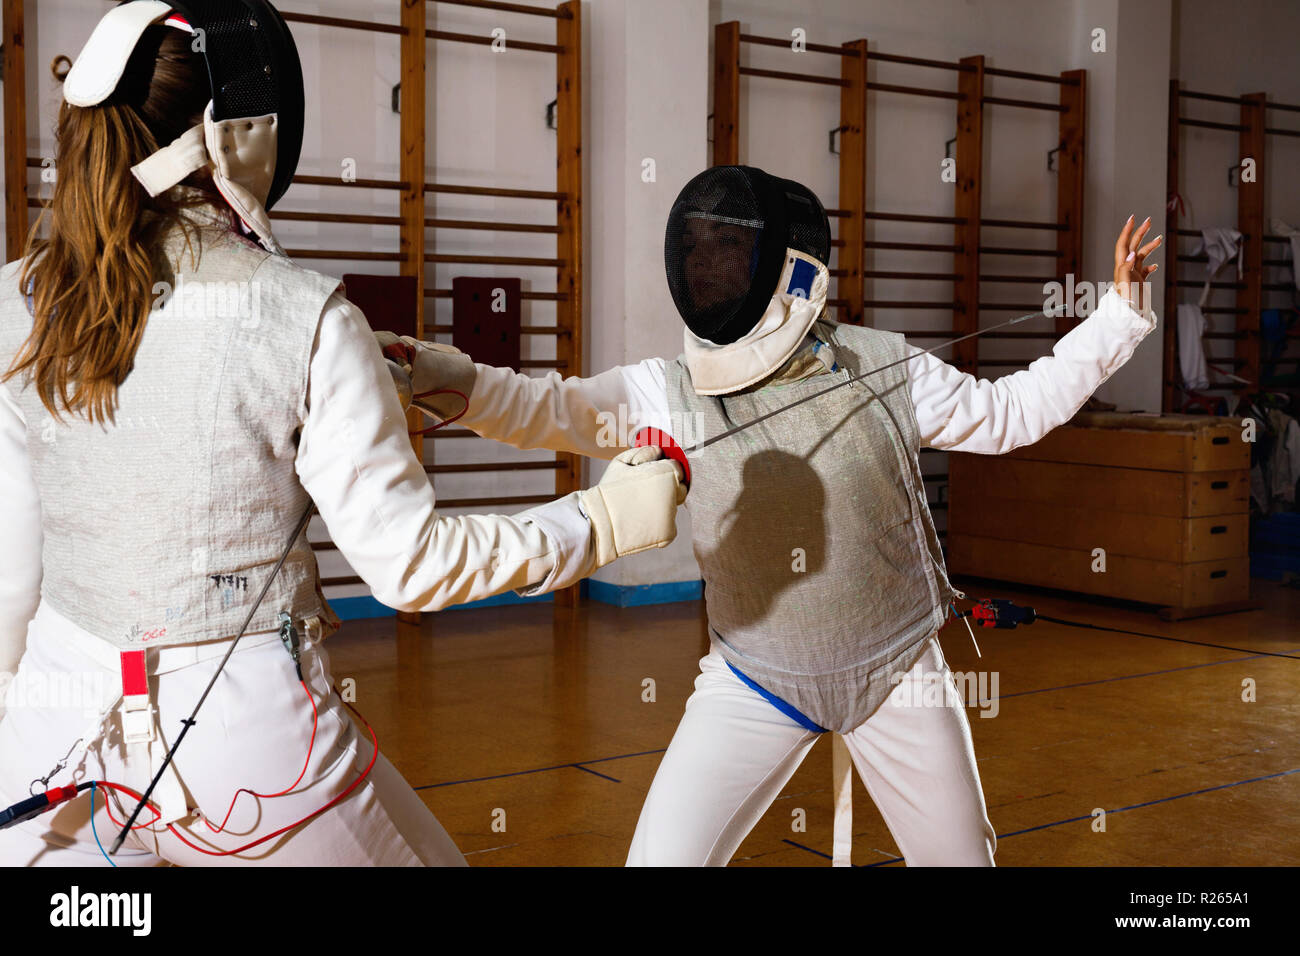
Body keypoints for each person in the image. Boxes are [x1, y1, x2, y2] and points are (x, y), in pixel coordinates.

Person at [0, 0, 684, 867]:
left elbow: (15, 565)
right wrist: (602, 521)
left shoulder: (20, 299)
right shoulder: (303, 313)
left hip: (56, 740)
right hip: (248, 749)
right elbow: (411, 566)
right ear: (240, 135)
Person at [391, 165, 1163, 866]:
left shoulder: (882, 362)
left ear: (789, 269)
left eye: (728, 247)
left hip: (897, 672)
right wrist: (435, 375)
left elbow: (1009, 414)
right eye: (695, 247)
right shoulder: (672, 389)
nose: (705, 264)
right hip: (756, 678)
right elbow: (549, 409)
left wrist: (1117, 318)